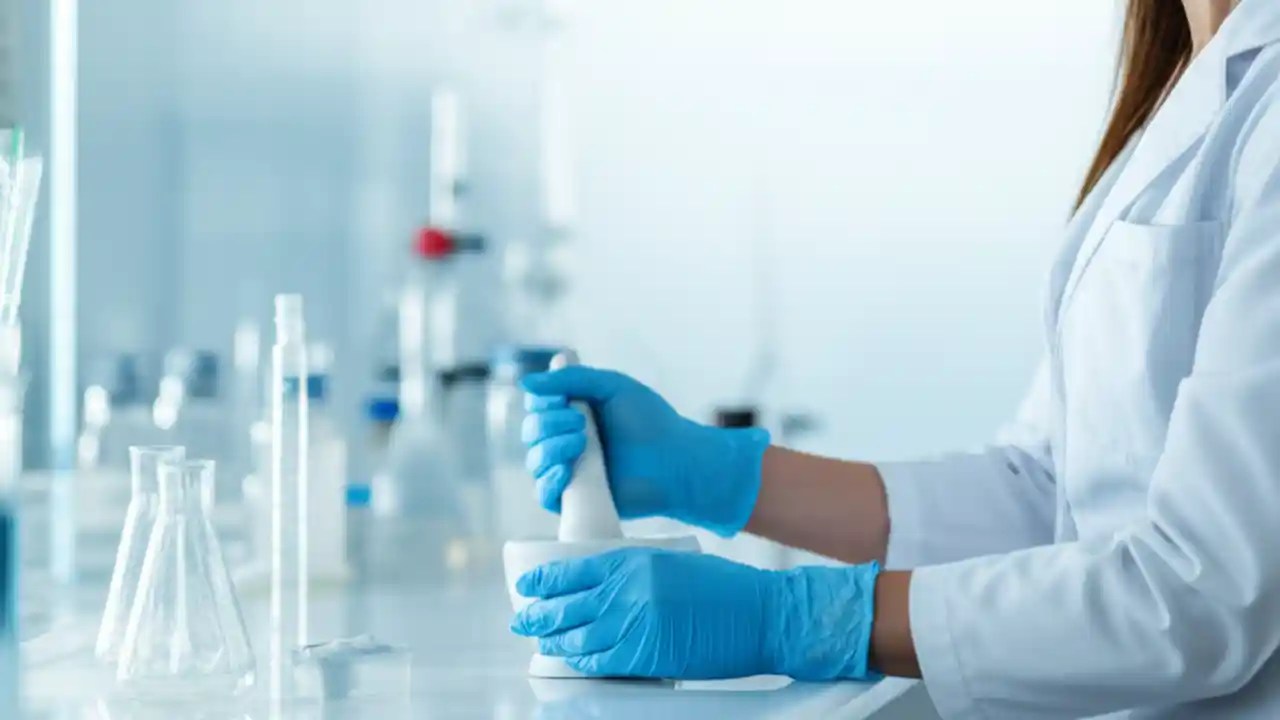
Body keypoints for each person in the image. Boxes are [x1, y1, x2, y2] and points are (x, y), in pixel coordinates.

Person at [508, 0, 1280, 717]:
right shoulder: (1190, 79)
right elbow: (1049, 496)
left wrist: (792, 618)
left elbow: (1201, 590)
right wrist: (728, 476)